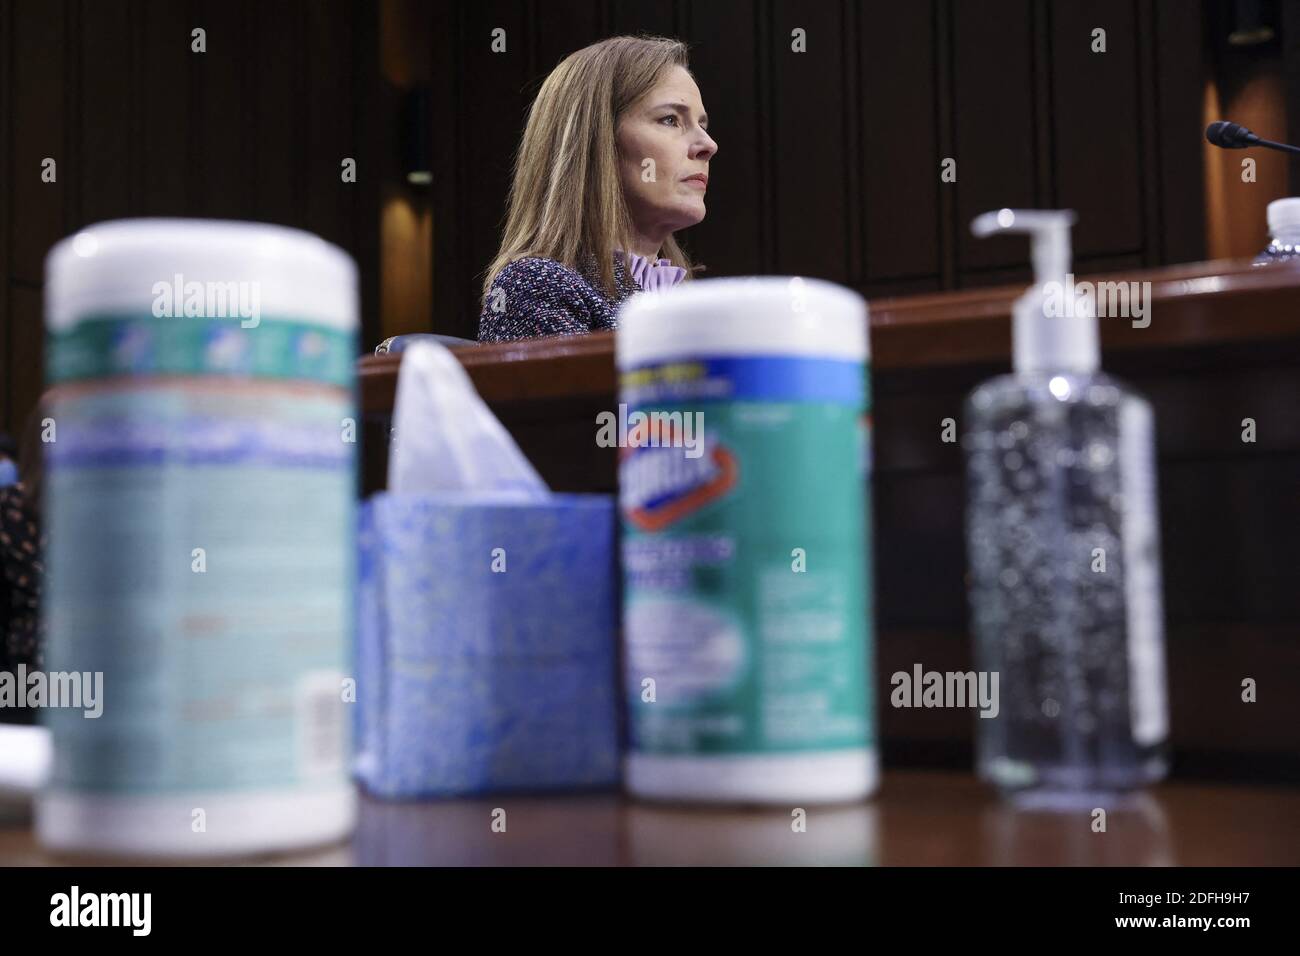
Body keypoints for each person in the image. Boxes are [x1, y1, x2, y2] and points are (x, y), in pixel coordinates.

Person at [478, 35, 718, 343]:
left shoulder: (691, 304)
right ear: (597, 142)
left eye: (703, 125)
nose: (708, 145)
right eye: (670, 119)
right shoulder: (536, 286)